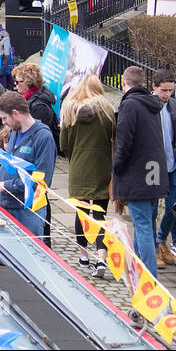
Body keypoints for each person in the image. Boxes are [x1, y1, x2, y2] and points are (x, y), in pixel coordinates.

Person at [0, 91, 56, 238]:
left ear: (15, 113)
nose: (3, 123)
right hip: (7, 205)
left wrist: (4, 186)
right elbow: (10, 165)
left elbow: (40, 182)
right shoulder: (14, 132)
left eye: (5, 118)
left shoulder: (43, 137)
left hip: (28, 212)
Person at [113, 66, 169, 279]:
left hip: (137, 174)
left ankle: (148, 279)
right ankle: (138, 272)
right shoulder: (153, 105)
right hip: (153, 172)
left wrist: (117, 168)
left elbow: (124, 142)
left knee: (144, 227)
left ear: (123, 83)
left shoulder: (130, 105)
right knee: (143, 224)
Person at [60, 74, 117, 276]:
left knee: (81, 213)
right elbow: (114, 139)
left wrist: (74, 155)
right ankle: (101, 258)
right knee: (100, 214)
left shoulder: (69, 111)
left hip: (79, 167)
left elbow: (64, 145)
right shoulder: (107, 111)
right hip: (102, 166)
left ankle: (83, 254)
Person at [152, 69, 176, 265]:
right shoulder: (148, 106)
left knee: (171, 208)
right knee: (150, 209)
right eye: (163, 90)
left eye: (170, 90)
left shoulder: (175, 106)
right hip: (153, 165)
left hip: (173, 164)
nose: (167, 94)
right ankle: (153, 247)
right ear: (154, 87)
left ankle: (161, 239)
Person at [12, 62, 59, 148]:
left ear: (28, 82)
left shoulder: (39, 107)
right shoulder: (29, 97)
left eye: (17, 81)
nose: (15, 84)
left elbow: (38, 136)